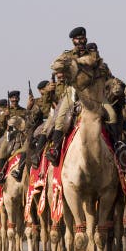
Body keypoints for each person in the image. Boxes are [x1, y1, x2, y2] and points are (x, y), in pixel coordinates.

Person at [46, 26, 95, 165]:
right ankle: (55, 149)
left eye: (82, 38)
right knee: (60, 119)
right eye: (77, 39)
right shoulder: (67, 54)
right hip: (72, 91)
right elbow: (54, 65)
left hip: (91, 91)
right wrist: (68, 64)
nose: (80, 41)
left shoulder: (92, 54)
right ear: (73, 41)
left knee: (111, 115)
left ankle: (118, 146)